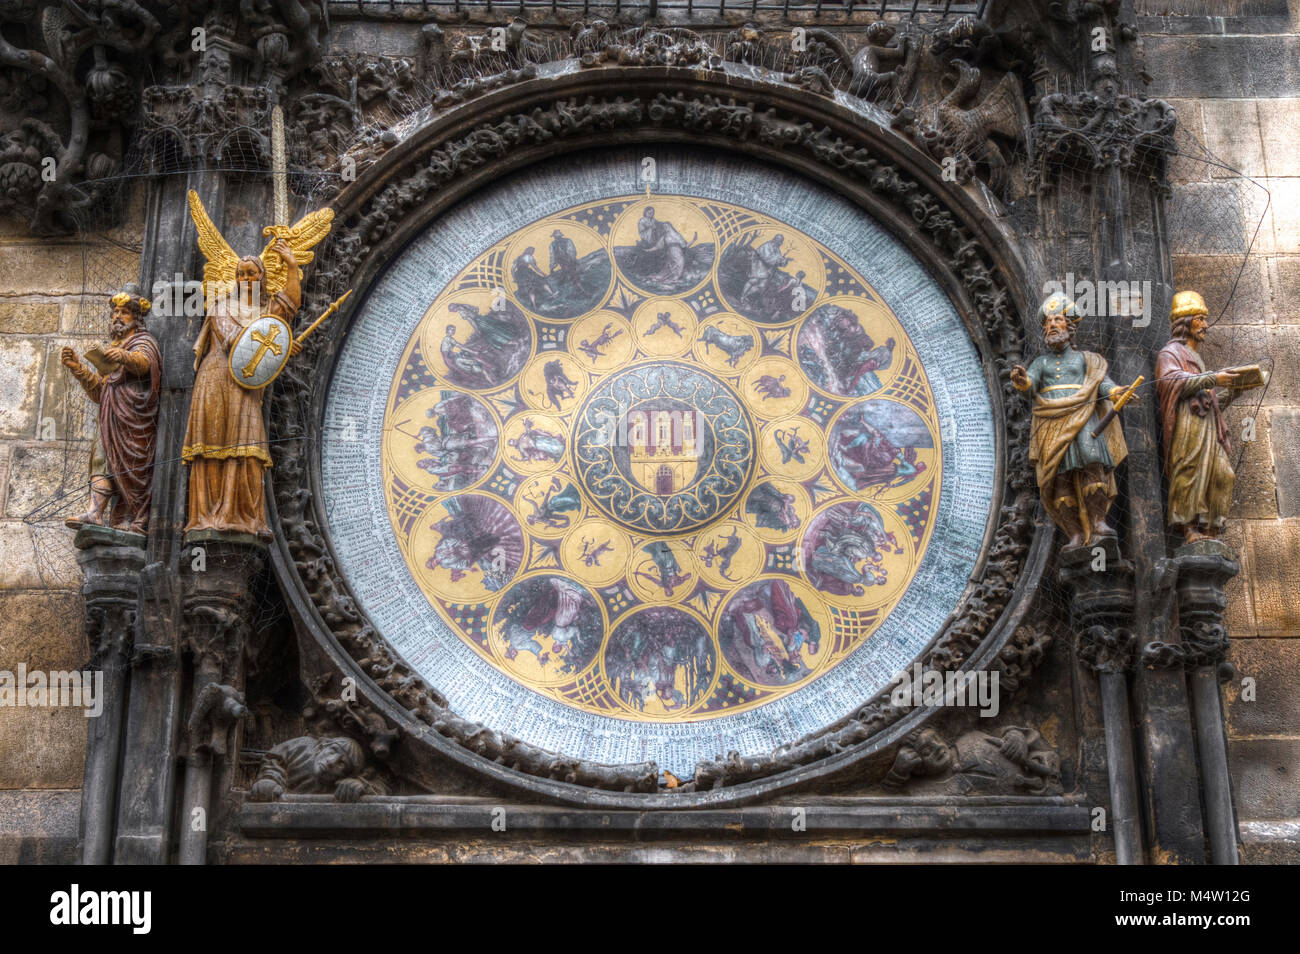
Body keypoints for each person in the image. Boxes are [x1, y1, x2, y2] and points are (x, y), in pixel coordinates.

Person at [182, 242, 301, 537]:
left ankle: (246, 517)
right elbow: (236, 341)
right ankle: (209, 516)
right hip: (218, 378)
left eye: (252, 274)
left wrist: (292, 266)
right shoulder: (222, 308)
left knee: (248, 445)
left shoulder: (265, 311)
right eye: (242, 274)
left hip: (246, 385)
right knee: (214, 443)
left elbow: (289, 304)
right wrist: (279, 344)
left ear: (262, 278)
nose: (246, 279)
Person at [1010, 294, 1130, 548]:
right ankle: (1074, 532)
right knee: (1059, 476)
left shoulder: (1087, 359)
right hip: (1050, 422)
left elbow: (1101, 383)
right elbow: (1030, 385)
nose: (1052, 325)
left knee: (1093, 463)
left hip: (1083, 417)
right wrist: (1022, 381)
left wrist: (1116, 392)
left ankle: (1098, 522)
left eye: (1058, 320)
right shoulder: (1041, 363)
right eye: (1049, 321)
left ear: (1069, 326)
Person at [1156, 291, 1261, 543]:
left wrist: (1235, 391)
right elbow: (1170, 381)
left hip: (1208, 427)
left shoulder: (1197, 359)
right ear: (1185, 322)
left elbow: (1210, 403)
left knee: (1224, 475)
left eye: (1204, 319)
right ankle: (1189, 528)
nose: (1205, 325)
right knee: (1189, 471)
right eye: (1200, 319)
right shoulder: (1169, 354)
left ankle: (1211, 530)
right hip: (1188, 425)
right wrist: (1214, 378)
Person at [61, 284, 161, 533]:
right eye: (115, 312)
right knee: (101, 461)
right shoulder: (113, 348)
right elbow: (99, 391)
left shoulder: (142, 340)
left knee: (130, 467)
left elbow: (145, 364)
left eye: (124, 312)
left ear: (136, 318)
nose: (117, 316)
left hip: (134, 417)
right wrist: (78, 368)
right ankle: (95, 513)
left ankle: (130, 518)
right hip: (109, 414)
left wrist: (123, 356)